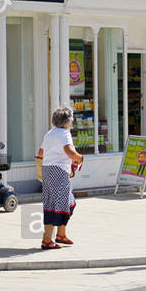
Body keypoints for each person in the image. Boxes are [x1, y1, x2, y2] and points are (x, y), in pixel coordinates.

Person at [36, 107, 82, 249]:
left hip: (47, 170)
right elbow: (69, 151)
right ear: (67, 122)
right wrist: (79, 158)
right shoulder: (64, 134)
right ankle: (47, 240)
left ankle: (60, 234)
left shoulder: (50, 133)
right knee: (59, 205)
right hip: (59, 171)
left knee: (65, 202)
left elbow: (41, 152)